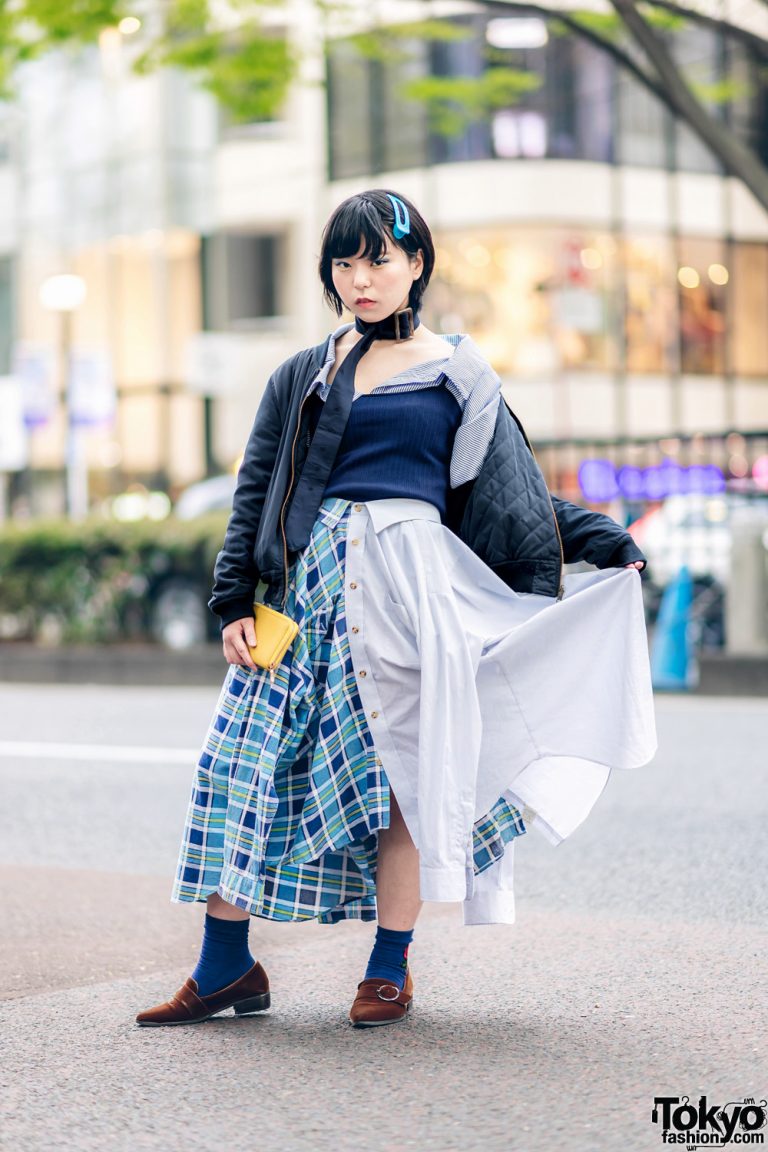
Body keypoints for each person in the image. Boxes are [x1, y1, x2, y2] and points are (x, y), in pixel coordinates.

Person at [136, 190, 656, 1030]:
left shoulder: (461, 374)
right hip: (307, 598)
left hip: (416, 595)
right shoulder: (303, 373)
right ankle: (225, 964)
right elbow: (255, 492)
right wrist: (233, 595)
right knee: (238, 762)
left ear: (418, 265)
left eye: (378, 259)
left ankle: (388, 966)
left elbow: (513, 498)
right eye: (343, 262)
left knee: (404, 778)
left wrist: (598, 536)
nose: (359, 278)